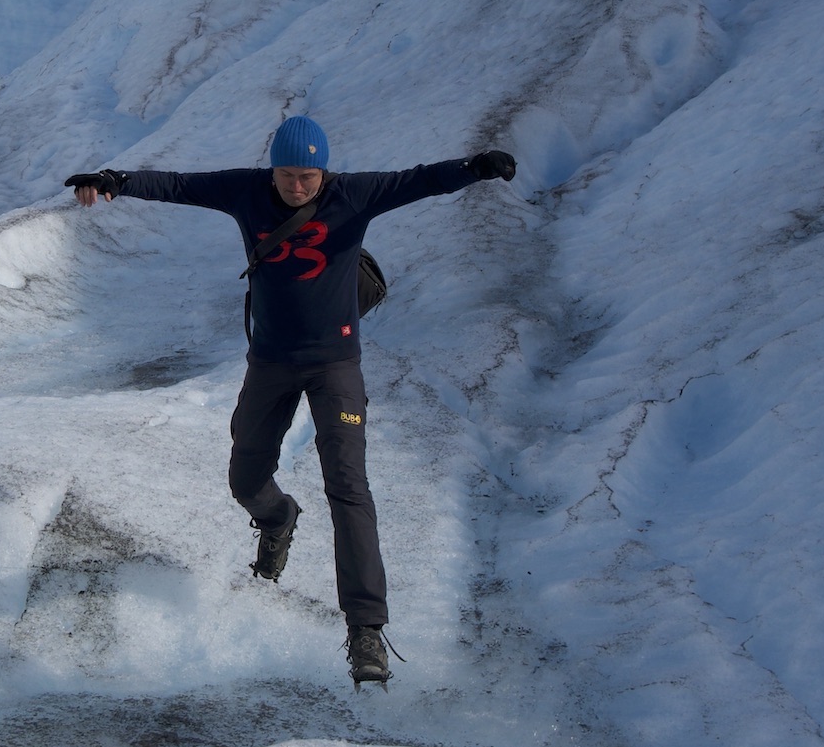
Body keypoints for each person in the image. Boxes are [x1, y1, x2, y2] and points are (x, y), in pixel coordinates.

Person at [66, 116, 517, 687]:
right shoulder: (245, 190)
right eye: (287, 176)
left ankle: (366, 630)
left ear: (323, 172)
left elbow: (419, 180)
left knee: (348, 486)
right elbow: (178, 185)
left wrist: (474, 169)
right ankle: (279, 518)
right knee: (245, 479)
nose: (297, 188)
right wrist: (113, 181)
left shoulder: (354, 194)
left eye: (307, 177)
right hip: (271, 365)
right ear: (271, 168)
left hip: (336, 367)